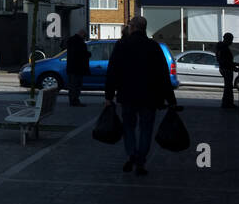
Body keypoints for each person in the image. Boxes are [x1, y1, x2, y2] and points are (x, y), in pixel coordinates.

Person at [104, 16, 176, 176]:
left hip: (127, 95)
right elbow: (163, 75)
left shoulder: (122, 45)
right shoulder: (153, 47)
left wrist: (109, 96)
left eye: (130, 25)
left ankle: (131, 153)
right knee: (146, 129)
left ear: (133, 27)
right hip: (149, 97)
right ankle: (141, 160)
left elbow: (112, 72)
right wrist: (171, 100)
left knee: (128, 127)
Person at [65, 31, 90, 107]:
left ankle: (73, 100)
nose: (85, 38)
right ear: (82, 35)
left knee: (73, 85)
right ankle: (75, 100)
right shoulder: (79, 43)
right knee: (76, 85)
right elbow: (81, 54)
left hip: (72, 68)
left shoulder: (71, 41)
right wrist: (88, 54)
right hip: (78, 68)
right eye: (84, 36)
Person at [217, 32, 237, 108]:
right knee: (228, 87)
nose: (232, 42)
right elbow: (226, 61)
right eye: (231, 40)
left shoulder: (221, 47)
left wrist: (233, 65)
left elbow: (226, 60)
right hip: (226, 69)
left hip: (224, 68)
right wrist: (233, 66)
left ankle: (226, 103)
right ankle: (228, 103)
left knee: (228, 86)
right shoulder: (224, 48)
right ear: (227, 39)